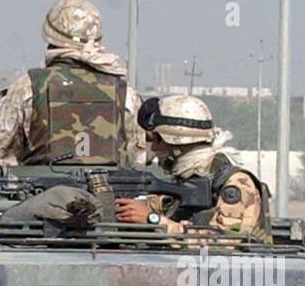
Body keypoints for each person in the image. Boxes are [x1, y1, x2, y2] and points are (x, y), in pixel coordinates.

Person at [0, 0, 147, 170]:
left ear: (51, 37)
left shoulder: (28, 87)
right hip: (109, 193)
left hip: (42, 194)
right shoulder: (123, 91)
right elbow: (138, 156)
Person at [114, 95, 271, 242]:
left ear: (178, 144)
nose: (154, 147)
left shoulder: (235, 183)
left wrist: (153, 220)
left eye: (157, 140)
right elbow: (157, 205)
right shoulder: (191, 181)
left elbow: (226, 241)